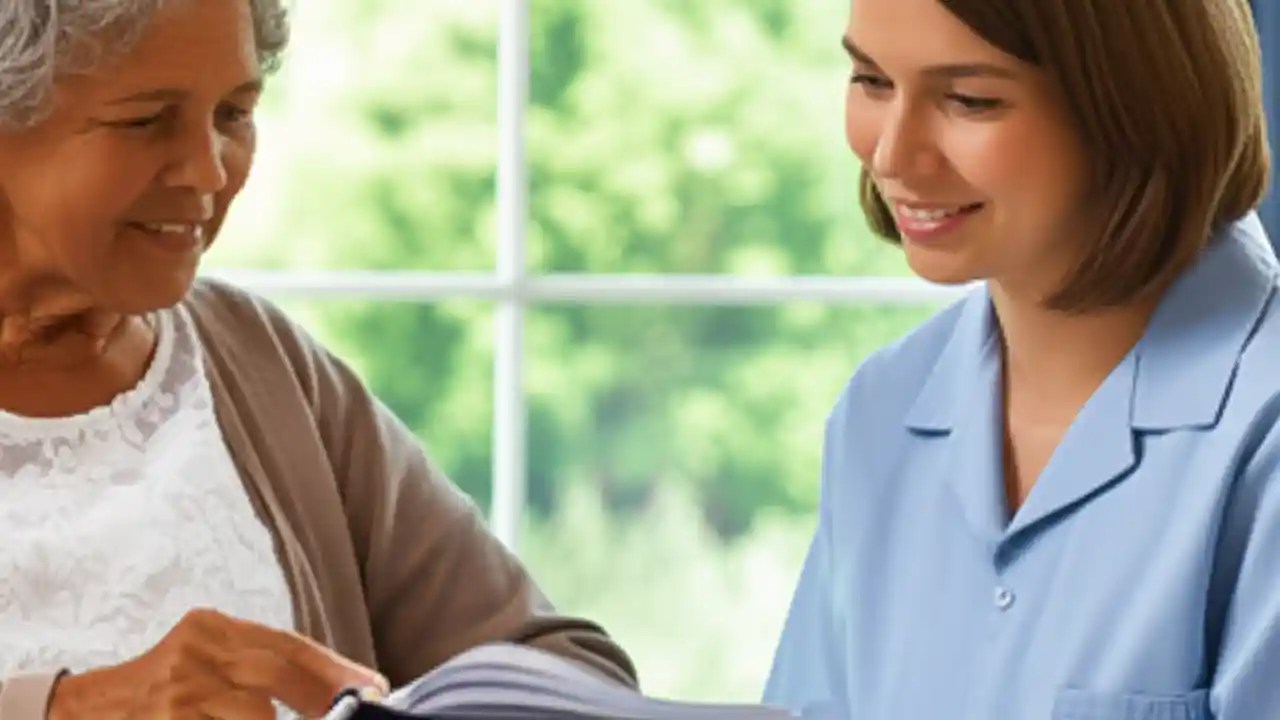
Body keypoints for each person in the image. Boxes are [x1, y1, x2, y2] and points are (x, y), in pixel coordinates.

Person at [0, 1, 635, 718]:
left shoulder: (261, 364)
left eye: (234, 114)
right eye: (146, 120)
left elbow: (559, 671)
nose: (209, 173)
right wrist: (58, 708)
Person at [764, 0, 1279, 718]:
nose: (891, 154)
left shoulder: (1263, 438)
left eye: (970, 100)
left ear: (1138, 107)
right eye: (872, 81)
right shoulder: (881, 409)